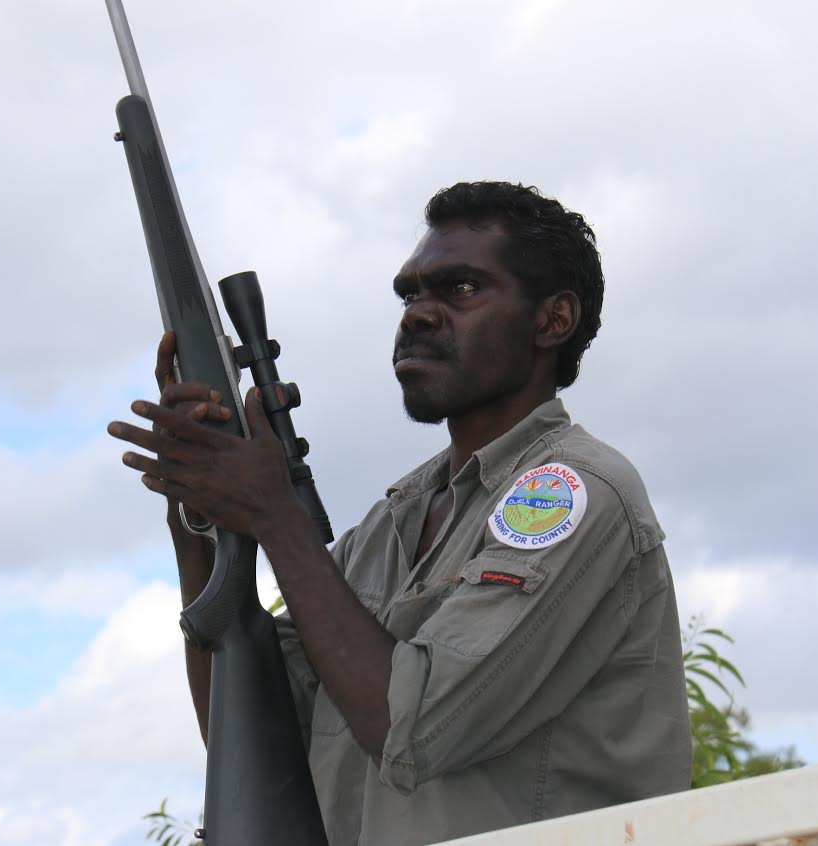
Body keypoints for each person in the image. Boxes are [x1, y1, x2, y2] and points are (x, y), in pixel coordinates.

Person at [107, 181, 691, 845]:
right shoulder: (394, 522)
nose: (417, 314)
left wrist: (276, 520)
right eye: (410, 294)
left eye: (460, 290)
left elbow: (414, 729)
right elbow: (250, 738)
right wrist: (200, 523)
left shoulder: (574, 493)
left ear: (551, 320)